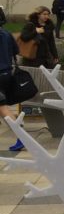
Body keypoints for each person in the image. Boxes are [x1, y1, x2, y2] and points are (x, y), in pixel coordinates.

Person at [0, 22, 23, 151]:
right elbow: (16, 51)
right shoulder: (6, 33)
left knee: (2, 107)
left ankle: (21, 136)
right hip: (6, 73)